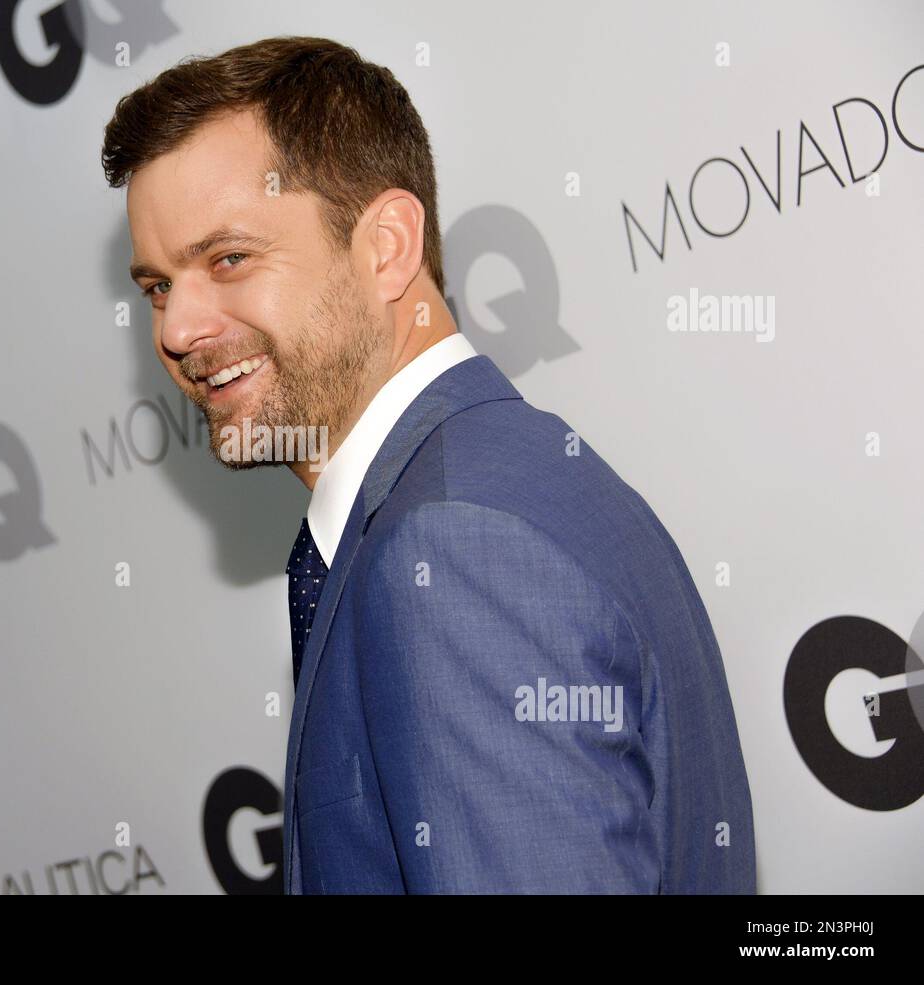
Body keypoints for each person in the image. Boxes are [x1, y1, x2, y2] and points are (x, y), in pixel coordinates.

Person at [102, 35, 756, 894]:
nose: (177, 330)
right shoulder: (504, 483)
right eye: (157, 286)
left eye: (228, 259)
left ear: (387, 246)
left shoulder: (454, 548)